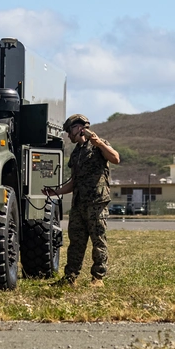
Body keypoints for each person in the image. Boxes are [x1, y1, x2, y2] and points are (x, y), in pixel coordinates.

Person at [42, 113, 121, 286]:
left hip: (96, 203)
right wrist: (55, 192)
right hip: (79, 204)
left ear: (79, 128)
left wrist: (98, 143)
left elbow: (115, 158)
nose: (68, 135)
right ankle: (70, 277)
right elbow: (74, 182)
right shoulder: (76, 153)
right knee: (76, 242)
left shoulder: (99, 145)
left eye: (69, 131)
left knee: (98, 240)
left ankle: (98, 277)